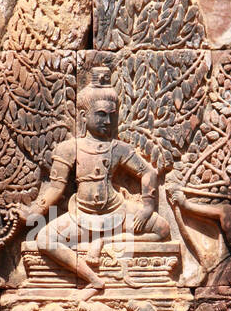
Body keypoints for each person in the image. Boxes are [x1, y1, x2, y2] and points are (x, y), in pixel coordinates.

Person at [17, 66, 170, 290]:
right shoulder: (69, 148)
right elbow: (55, 188)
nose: (107, 121)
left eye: (111, 115)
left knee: (163, 230)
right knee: (44, 239)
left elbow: (147, 172)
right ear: (83, 115)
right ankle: (91, 277)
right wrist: (33, 212)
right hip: (81, 215)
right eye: (100, 114)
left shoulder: (118, 148)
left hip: (117, 211)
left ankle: (104, 242)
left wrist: (147, 206)